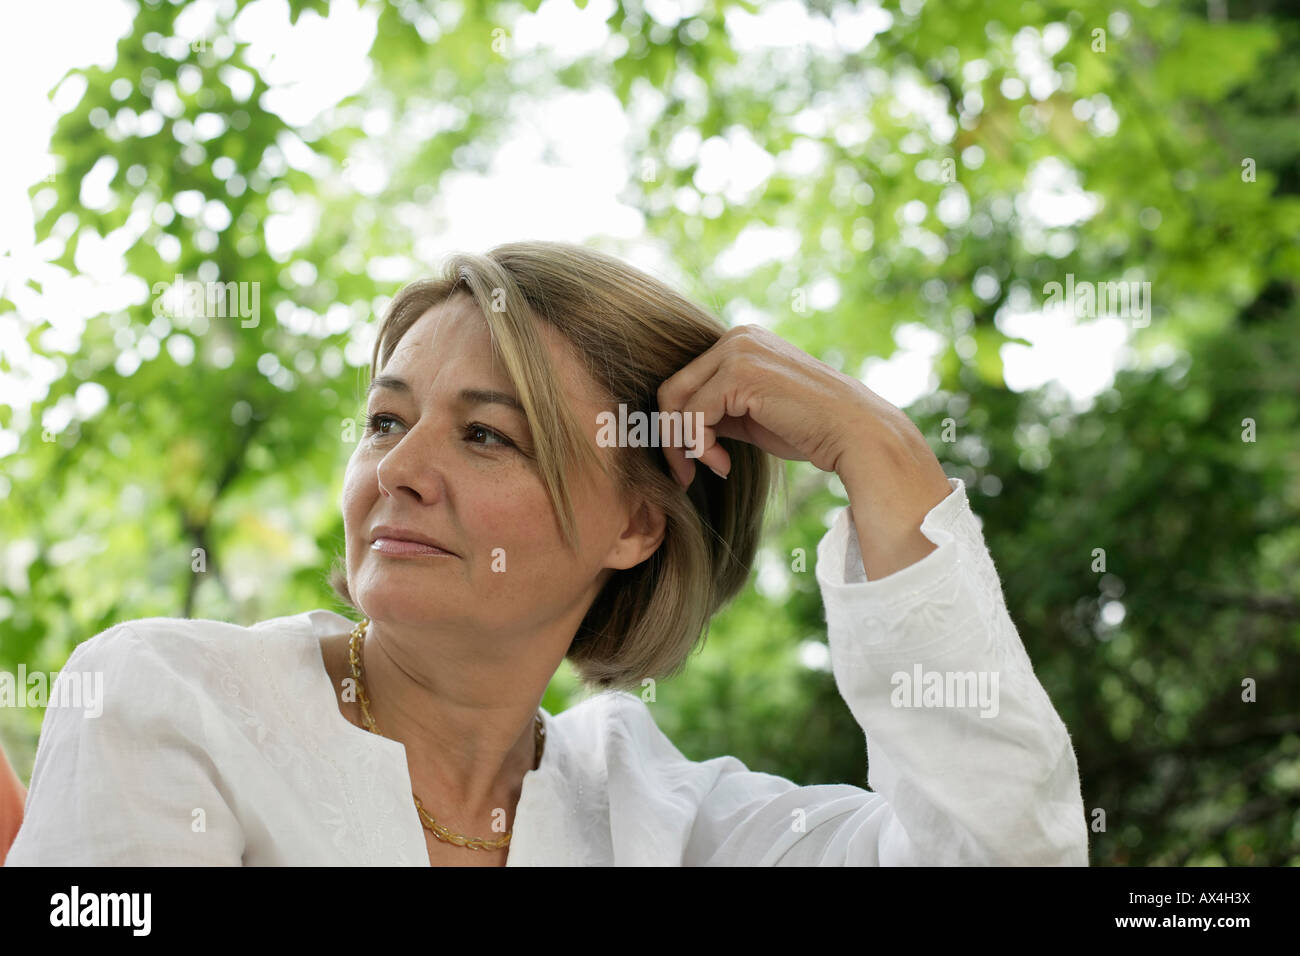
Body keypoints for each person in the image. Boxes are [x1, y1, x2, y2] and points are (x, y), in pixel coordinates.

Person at [5, 240, 1088, 866]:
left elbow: (1001, 855)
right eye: (386, 420)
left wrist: (880, 449)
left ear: (635, 525)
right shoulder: (163, 696)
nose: (399, 469)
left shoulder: (671, 819)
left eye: (488, 433)